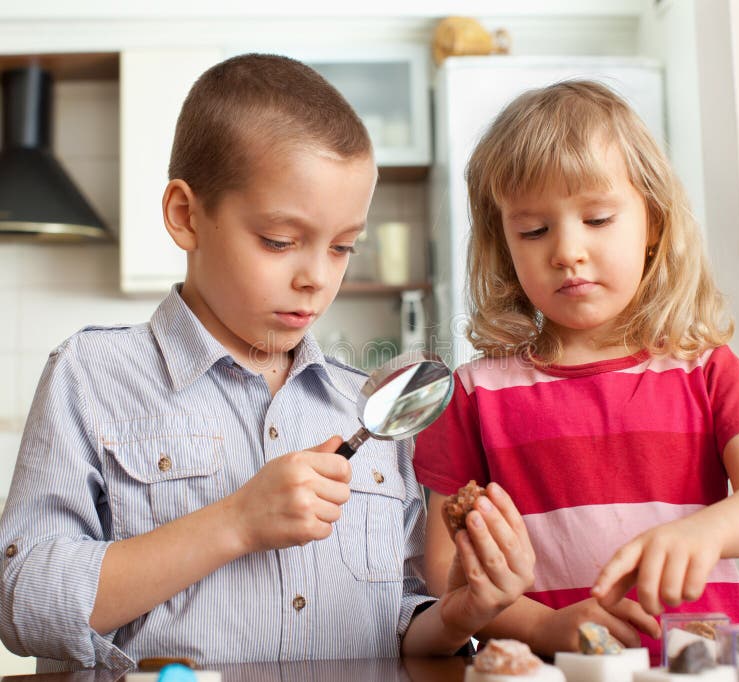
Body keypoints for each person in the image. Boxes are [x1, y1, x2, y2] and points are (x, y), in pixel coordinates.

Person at [0, 54, 536, 671]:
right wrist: (234, 524)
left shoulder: (364, 407)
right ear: (185, 215)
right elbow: (25, 601)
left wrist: (462, 612)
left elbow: (395, 629)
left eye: (341, 248)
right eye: (279, 242)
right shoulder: (90, 376)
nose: (315, 278)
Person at [413, 80, 739, 663]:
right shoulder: (475, 395)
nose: (567, 250)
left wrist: (707, 531)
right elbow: (444, 571)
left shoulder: (706, 370)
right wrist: (544, 627)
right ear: (504, 248)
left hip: (701, 669)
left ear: (652, 225)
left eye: (597, 218)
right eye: (534, 230)